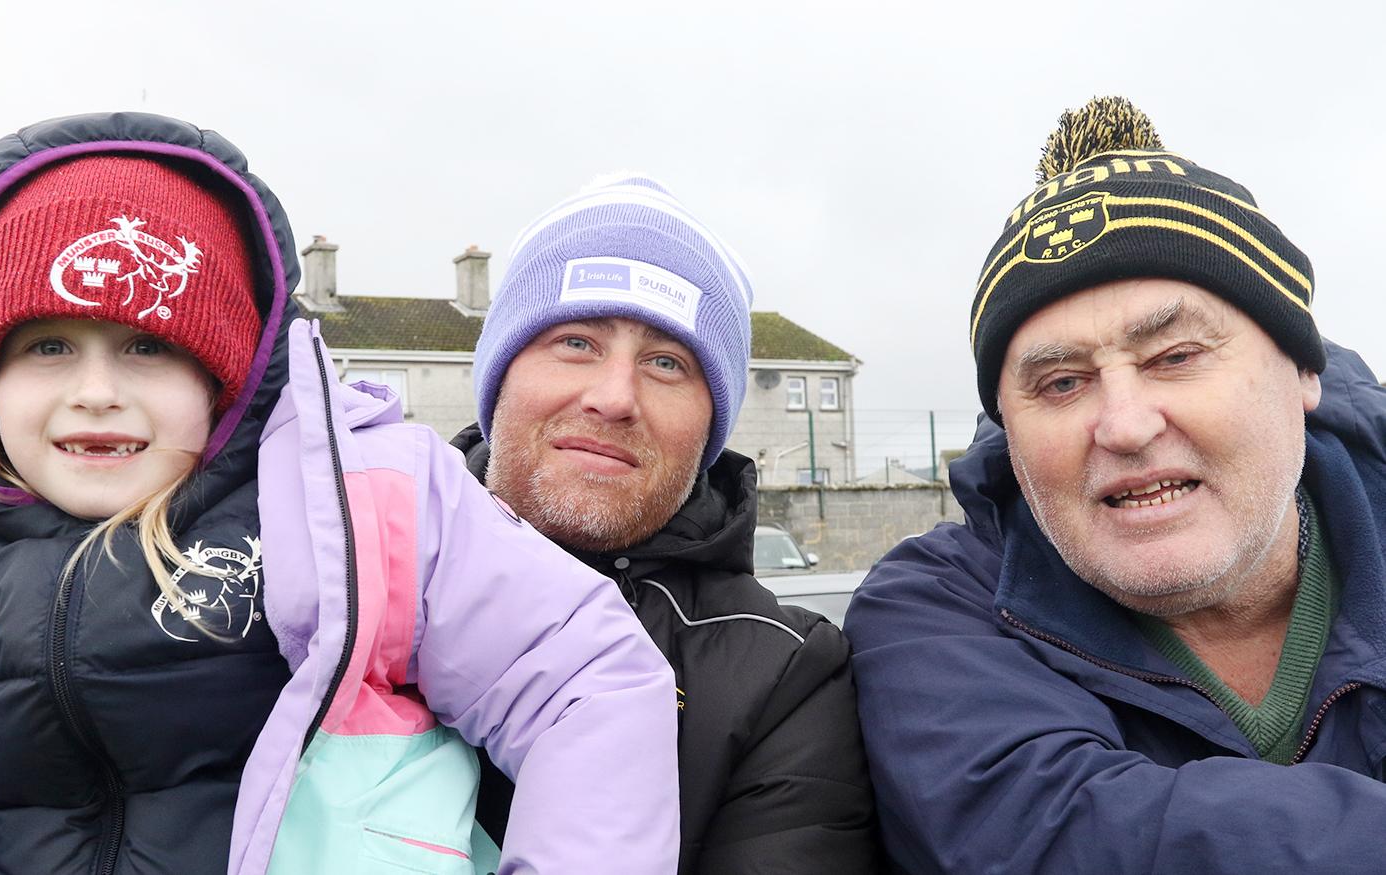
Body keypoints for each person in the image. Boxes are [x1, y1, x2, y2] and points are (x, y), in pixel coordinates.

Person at [0, 113, 679, 874]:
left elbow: (585, 682)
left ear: (224, 376)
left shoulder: (356, 507)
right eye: (48, 346)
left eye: (147, 345)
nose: (95, 392)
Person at [847, 95, 1386, 873]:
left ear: (1303, 369)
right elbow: (1055, 836)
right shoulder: (934, 611)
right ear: (1009, 428)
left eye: (1176, 356)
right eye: (1062, 383)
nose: (1125, 425)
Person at [453, 174, 881, 873]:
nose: (614, 397)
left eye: (665, 362)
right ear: (499, 376)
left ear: (711, 425)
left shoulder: (786, 673)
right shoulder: (341, 584)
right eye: (576, 341)